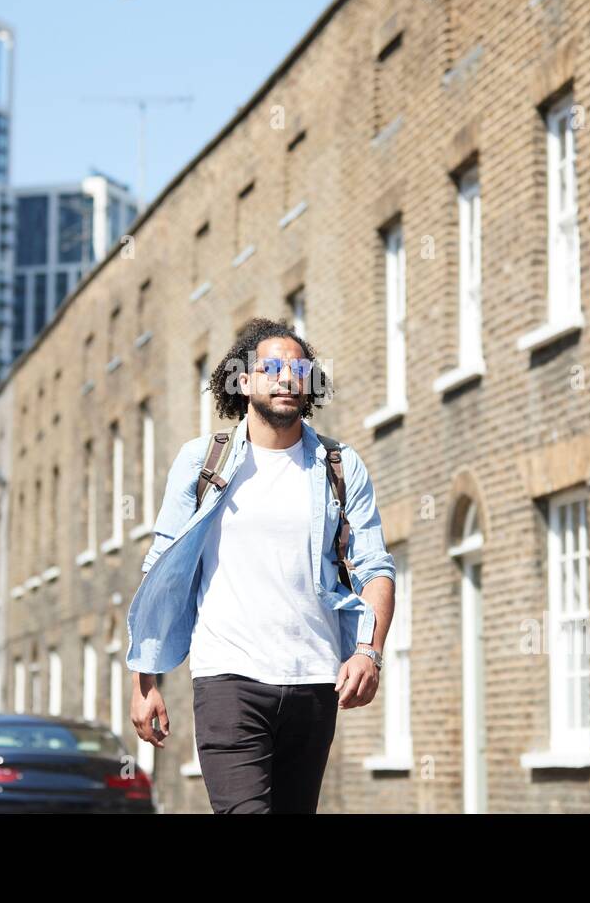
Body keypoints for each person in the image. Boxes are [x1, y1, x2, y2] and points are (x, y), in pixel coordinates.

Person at [127, 317, 396, 813]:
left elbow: (375, 565)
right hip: (228, 680)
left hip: (315, 681)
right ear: (243, 381)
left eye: (298, 369)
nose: (286, 378)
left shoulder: (339, 465)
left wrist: (368, 653)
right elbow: (161, 570)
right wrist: (146, 682)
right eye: (270, 367)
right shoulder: (202, 462)